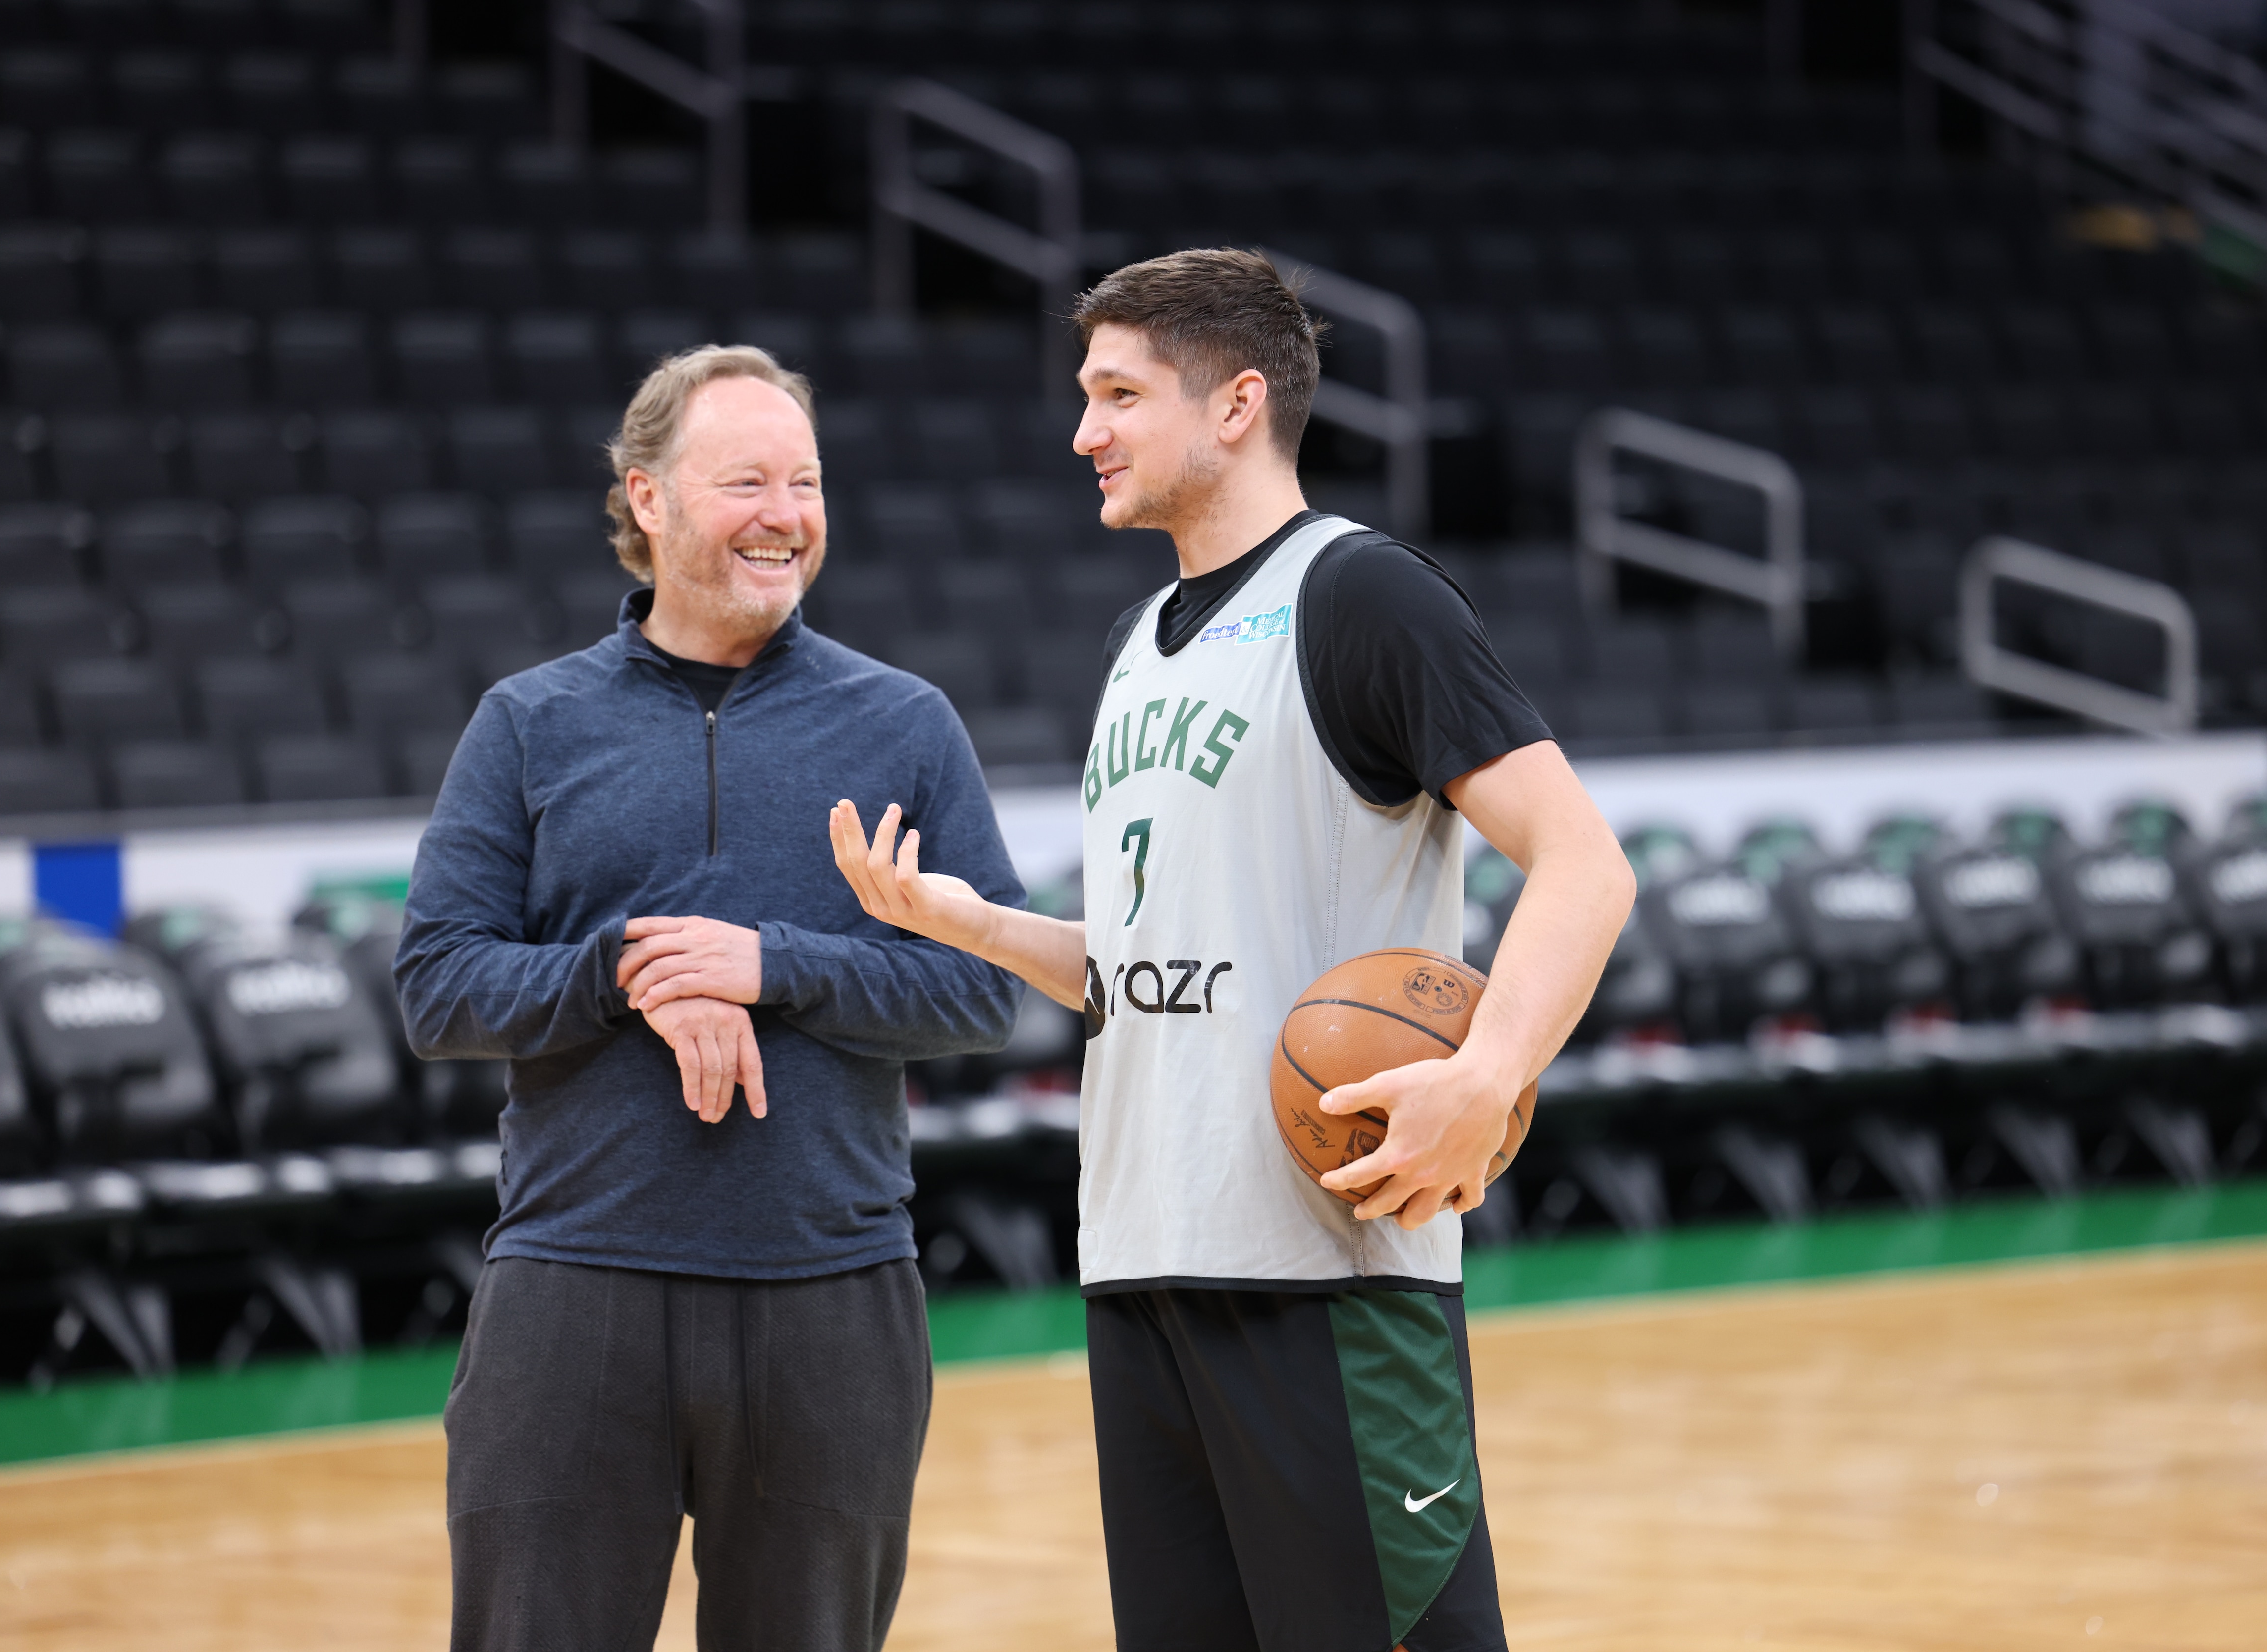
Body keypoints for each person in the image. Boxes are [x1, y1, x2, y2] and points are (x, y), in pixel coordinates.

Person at [823, 249, 1638, 1652]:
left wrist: (1493, 1069)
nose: (1085, 431)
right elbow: (1153, 966)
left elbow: (1585, 863)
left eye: (1119, 394)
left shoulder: (1365, 597)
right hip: (1142, 1258)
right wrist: (968, 925)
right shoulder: (1138, 642)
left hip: (1324, 1271)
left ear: (1237, 404)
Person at [393, 344, 1025, 1652]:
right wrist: (631, 969)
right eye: (746, 481)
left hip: (832, 1295)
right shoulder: (527, 723)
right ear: (648, 500)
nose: (786, 515)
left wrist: (774, 965)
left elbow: (981, 994)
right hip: (572, 1289)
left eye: (806, 482)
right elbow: (437, 986)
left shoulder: (908, 723)